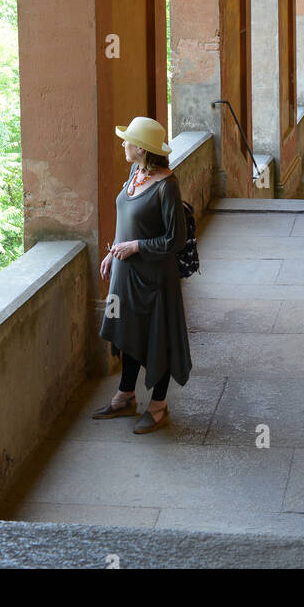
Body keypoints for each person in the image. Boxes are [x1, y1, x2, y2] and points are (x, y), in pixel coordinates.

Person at [92, 117, 192, 434]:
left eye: (128, 141)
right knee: (127, 331)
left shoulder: (167, 186)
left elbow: (175, 240)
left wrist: (135, 246)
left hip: (154, 279)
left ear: (142, 149)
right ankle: (126, 395)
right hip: (126, 272)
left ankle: (159, 405)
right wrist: (112, 252)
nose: (123, 144)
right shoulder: (137, 173)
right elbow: (127, 220)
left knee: (156, 337)